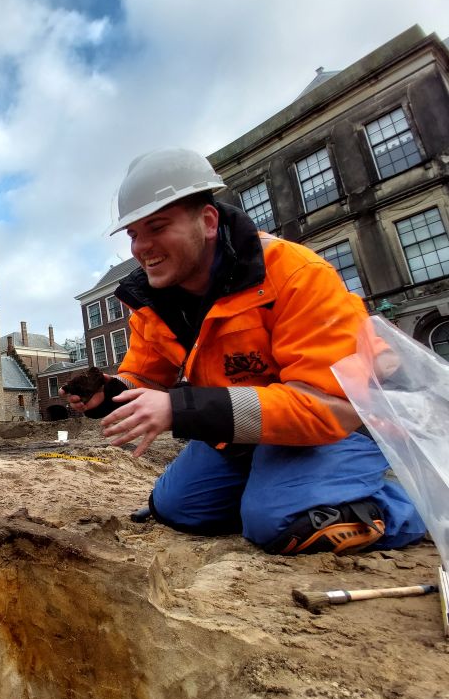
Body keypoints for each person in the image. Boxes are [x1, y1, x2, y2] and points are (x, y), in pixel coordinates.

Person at [65, 148, 425, 555]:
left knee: (278, 523)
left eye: (157, 227)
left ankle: (408, 509)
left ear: (207, 221)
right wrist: (108, 394)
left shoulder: (295, 275)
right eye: (132, 233)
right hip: (246, 431)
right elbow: (146, 377)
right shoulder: (153, 301)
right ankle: (279, 488)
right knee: (179, 509)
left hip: (344, 427)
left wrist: (182, 410)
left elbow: (327, 406)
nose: (141, 247)